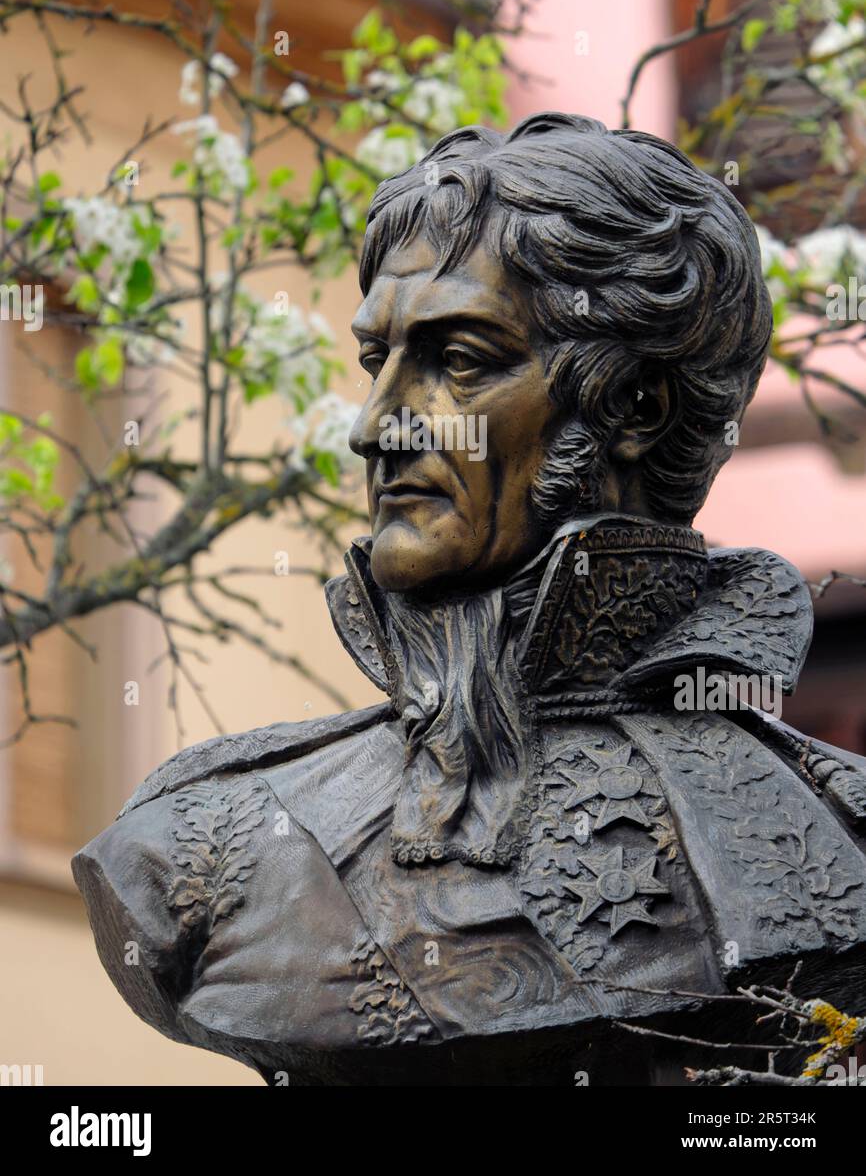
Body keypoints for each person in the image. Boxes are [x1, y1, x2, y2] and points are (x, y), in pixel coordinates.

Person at [74, 113, 866, 1086]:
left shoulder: (842, 833)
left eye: (456, 360)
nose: (374, 428)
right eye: (377, 361)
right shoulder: (197, 844)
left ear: (633, 407)